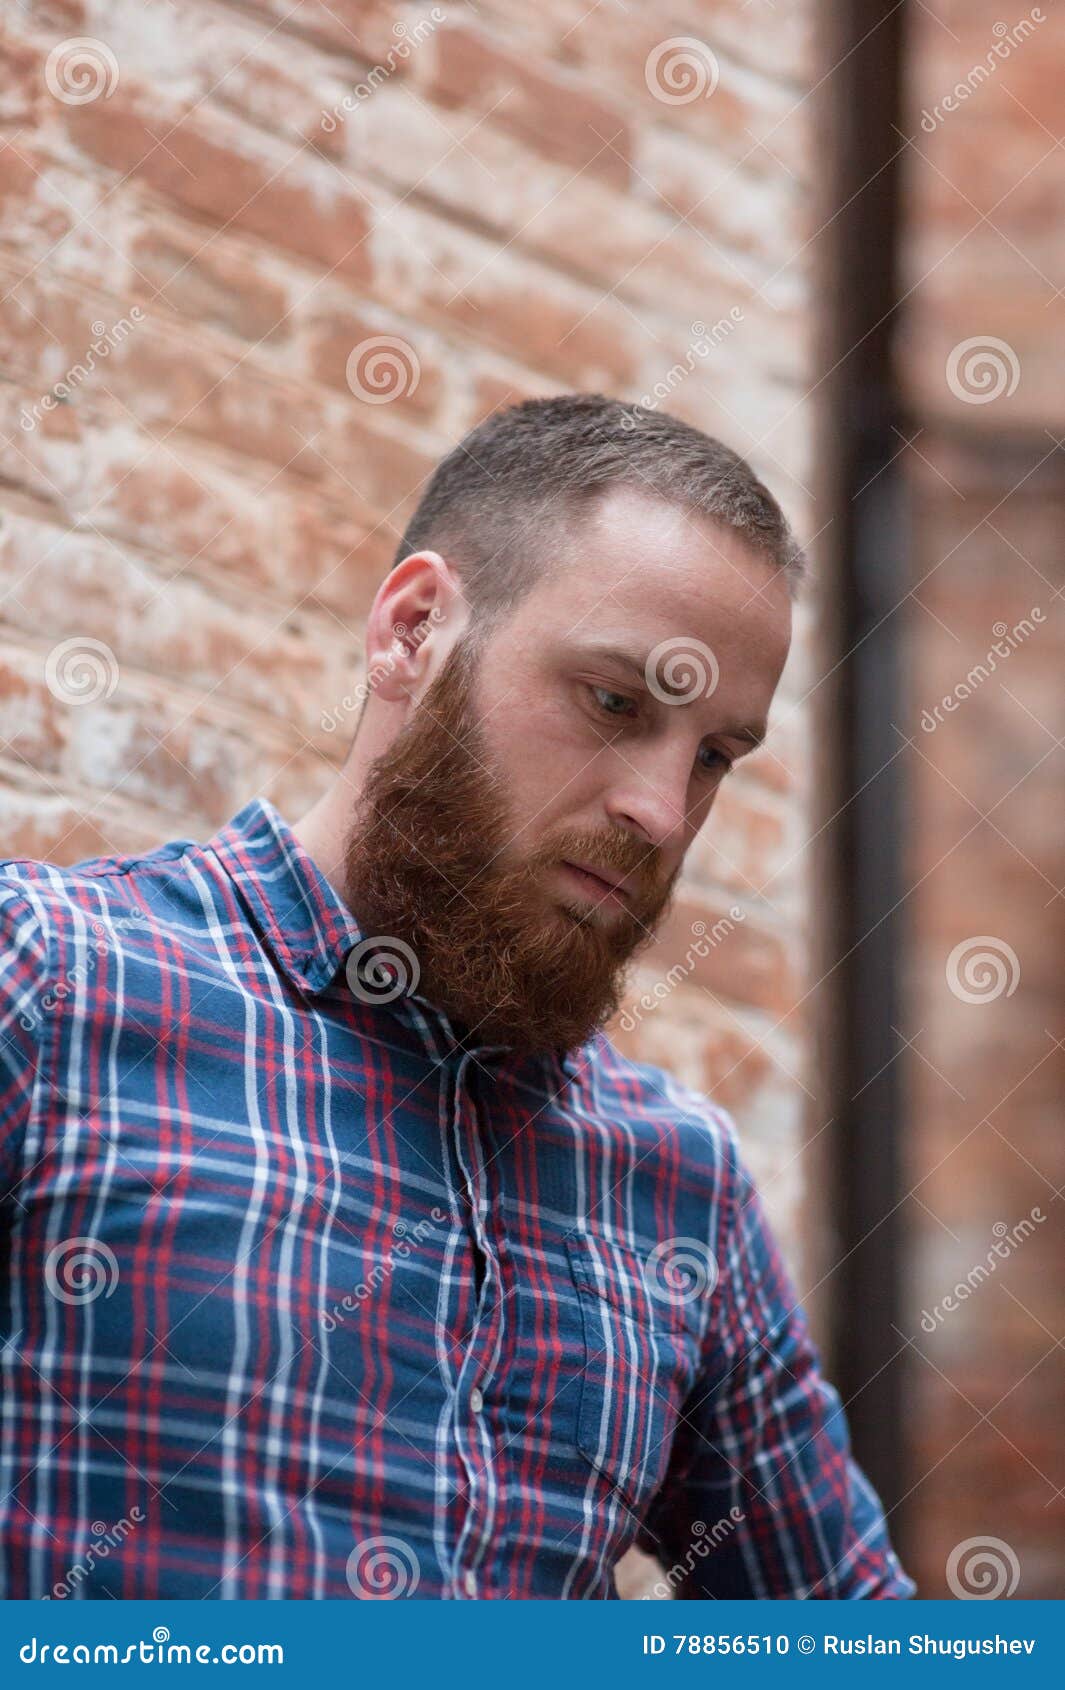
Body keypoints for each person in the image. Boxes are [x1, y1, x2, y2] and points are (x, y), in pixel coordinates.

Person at [0, 394, 915, 1600]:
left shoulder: (679, 1181)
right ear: (415, 628)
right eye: (614, 703)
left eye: (713, 755)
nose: (660, 808)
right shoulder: (50, 984)